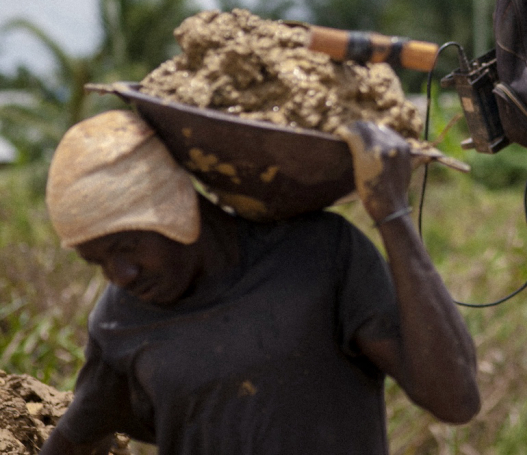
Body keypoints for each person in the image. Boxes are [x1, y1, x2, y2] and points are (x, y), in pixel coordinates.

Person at [39, 110, 480, 455]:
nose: (121, 276)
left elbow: (455, 400)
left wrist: (393, 214)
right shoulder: (120, 320)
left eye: (127, 246)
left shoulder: (318, 255)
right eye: (96, 261)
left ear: (173, 203)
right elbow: (78, 435)